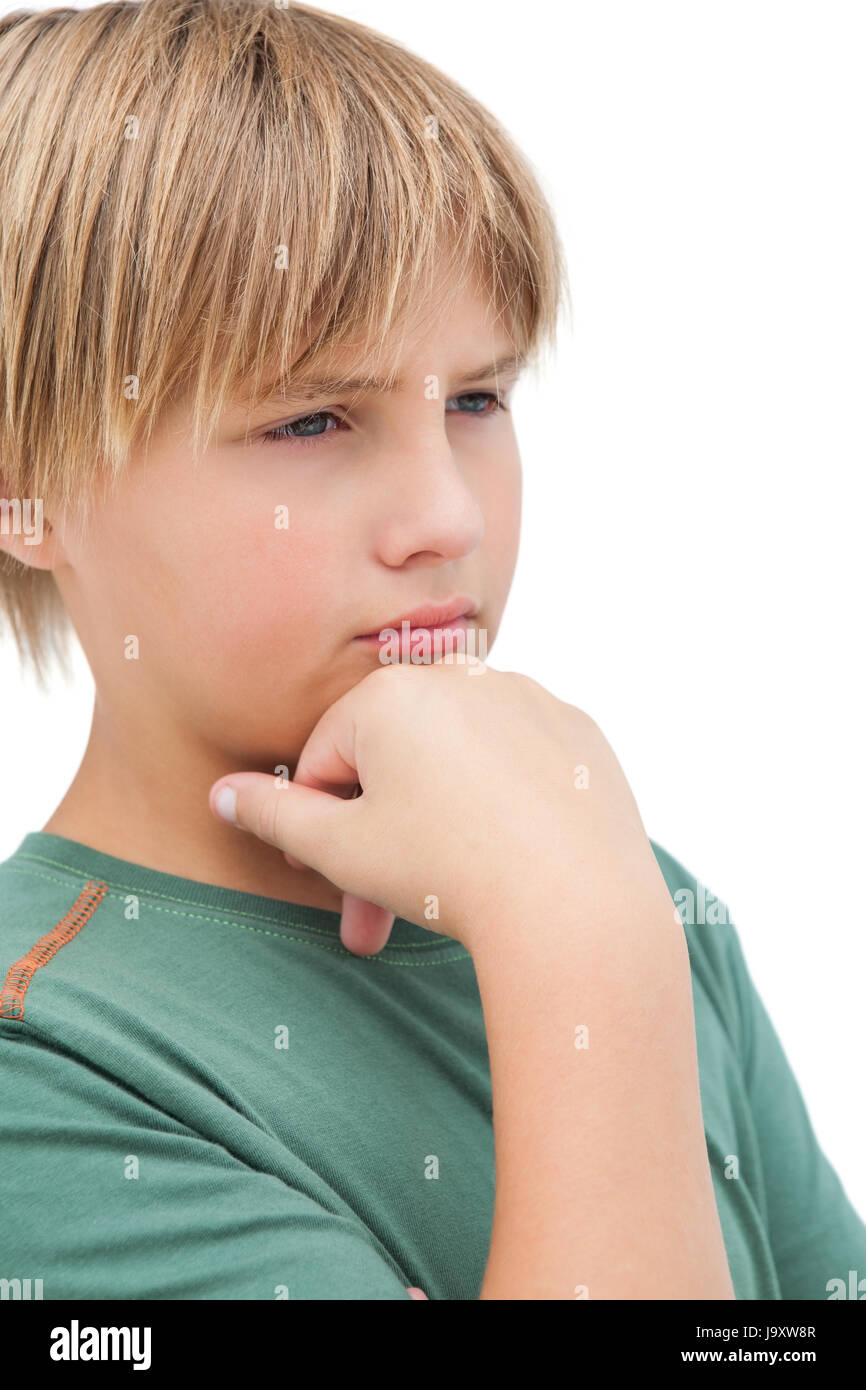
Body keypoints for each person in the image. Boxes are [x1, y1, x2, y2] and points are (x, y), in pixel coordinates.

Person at [0, 0, 863, 1301]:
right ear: (28, 488)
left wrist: (590, 916)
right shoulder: (48, 1072)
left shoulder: (629, 893)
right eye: (308, 420)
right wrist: (573, 945)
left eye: (475, 399)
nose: (448, 518)